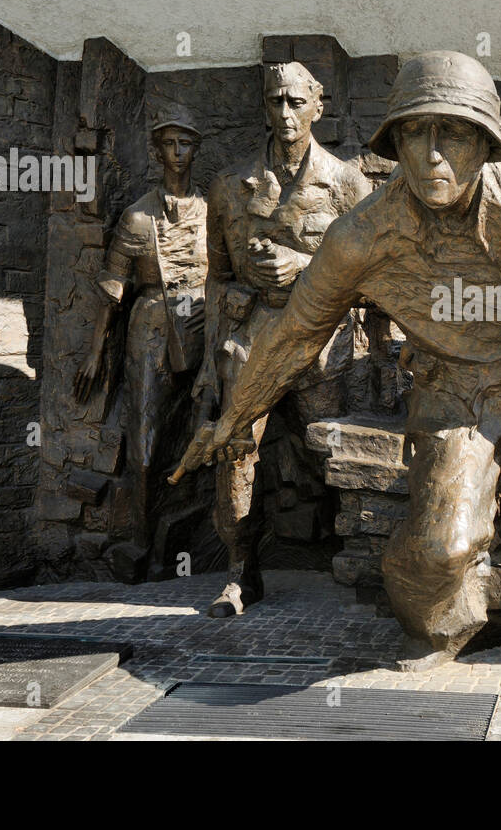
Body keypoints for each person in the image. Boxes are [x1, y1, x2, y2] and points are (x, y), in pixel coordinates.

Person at [171, 50, 501, 668]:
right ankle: (465, 607)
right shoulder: (362, 235)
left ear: (486, 143)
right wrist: (233, 419)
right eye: (413, 132)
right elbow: (293, 334)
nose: (431, 153)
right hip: (451, 395)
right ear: (395, 144)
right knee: (434, 562)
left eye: (452, 132)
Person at [194, 61, 371, 618]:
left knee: (339, 455)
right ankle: (240, 574)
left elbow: (374, 278)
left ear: (319, 106)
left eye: (297, 102)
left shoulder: (347, 184)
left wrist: (305, 265)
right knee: (236, 453)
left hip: (324, 346)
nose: (286, 113)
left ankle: (366, 564)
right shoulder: (228, 187)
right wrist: (220, 329)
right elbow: (215, 277)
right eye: (276, 102)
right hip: (251, 342)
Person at [74, 104, 208, 581]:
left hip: (202, 326)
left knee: (206, 429)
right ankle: (140, 539)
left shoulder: (214, 214)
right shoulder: (136, 218)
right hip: (149, 327)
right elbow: (112, 291)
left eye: (185, 143)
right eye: (169, 143)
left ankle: (196, 534)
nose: (177, 152)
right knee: (145, 443)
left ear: (196, 150)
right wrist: (93, 353)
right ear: (156, 151)